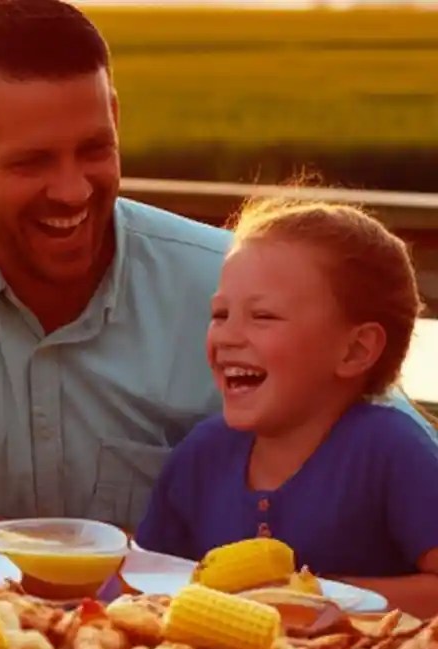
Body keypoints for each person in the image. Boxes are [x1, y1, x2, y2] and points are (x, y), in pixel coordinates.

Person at [0, 0, 436, 543]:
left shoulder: (233, 284)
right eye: (32, 162)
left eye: (94, 149)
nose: (71, 191)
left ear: (116, 120)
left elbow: (393, 441)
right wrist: (89, 558)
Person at [134, 198, 438, 617]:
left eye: (263, 316)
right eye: (220, 314)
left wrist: (324, 597)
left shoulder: (391, 450)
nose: (227, 336)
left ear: (355, 350)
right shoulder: (201, 455)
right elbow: (148, 578)